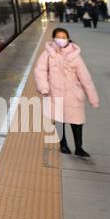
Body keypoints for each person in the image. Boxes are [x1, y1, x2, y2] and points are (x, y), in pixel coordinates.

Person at [35, 27, 99, 157]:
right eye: (58, 37)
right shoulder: (48, 54)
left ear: (68, 39)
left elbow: (85, 78)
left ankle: (79, 147)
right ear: (53, 39)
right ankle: (63, 144)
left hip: (73, 94)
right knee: (59, 120)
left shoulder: (75, 56)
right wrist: (44, 88)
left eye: (63, 37)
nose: (61, 40)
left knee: (77, 121)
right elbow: (39, 71)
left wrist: (93, 98)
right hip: (54, 92)